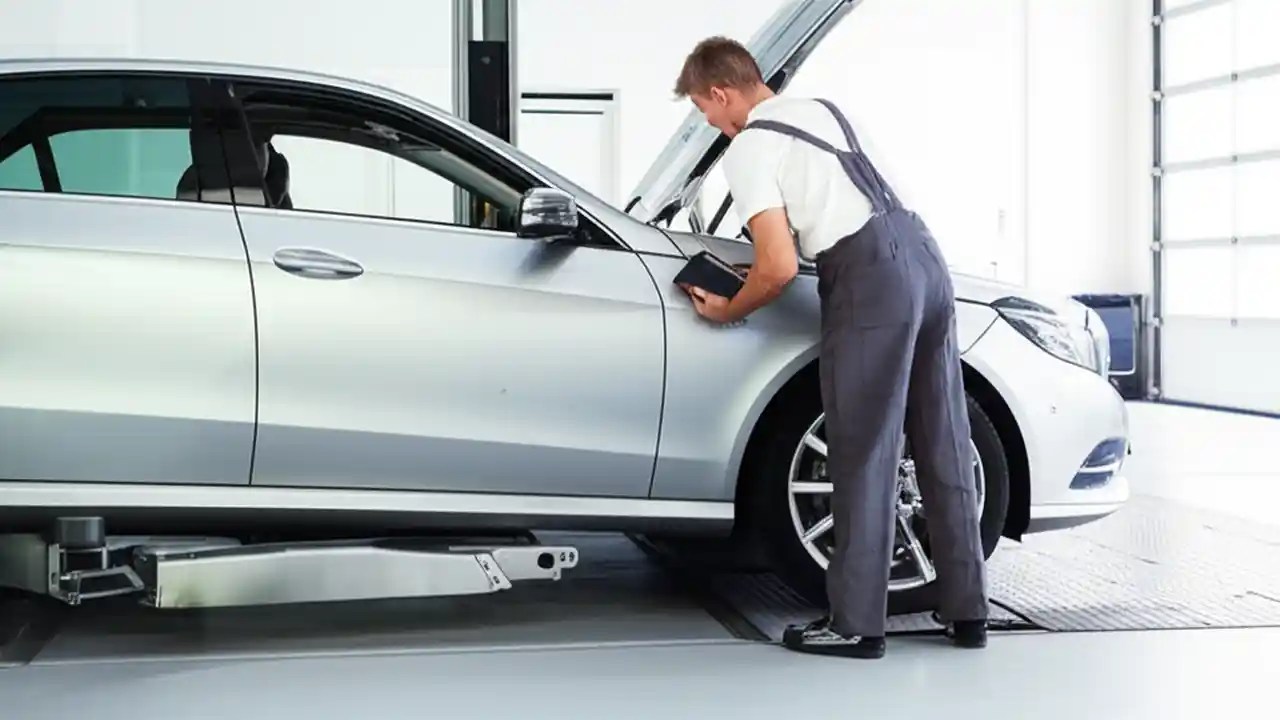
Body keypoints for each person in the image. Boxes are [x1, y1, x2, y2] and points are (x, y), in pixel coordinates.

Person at [672, 36, 989, 659]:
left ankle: (855, 624)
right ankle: (967, 612)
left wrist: (727, 307)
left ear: (721, 92)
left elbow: (779, 266)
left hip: (868, 279)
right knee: (943, 439)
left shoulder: (751, 147)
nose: (709, 123)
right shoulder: (827, 111)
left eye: (705, 112)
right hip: (927, 262)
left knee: (862, 447)